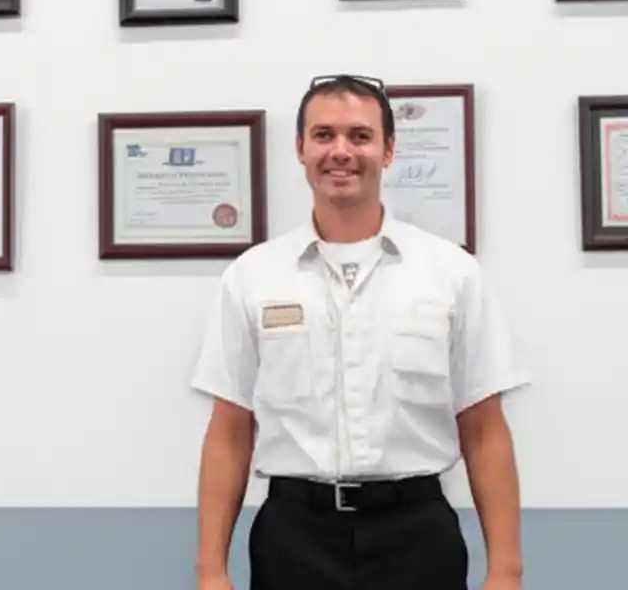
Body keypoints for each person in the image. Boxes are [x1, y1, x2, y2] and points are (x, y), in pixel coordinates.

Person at [189, 75, 530, 590]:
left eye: (360, 136)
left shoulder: (450, 273)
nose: (341, 151)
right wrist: (210, 569)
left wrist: (505, 570)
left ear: (389, 150)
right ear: (300, 149)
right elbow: (230, 431)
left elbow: (483, 429)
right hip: (294, 535)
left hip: (416, 534)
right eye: (324, 135)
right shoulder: (253, 276)